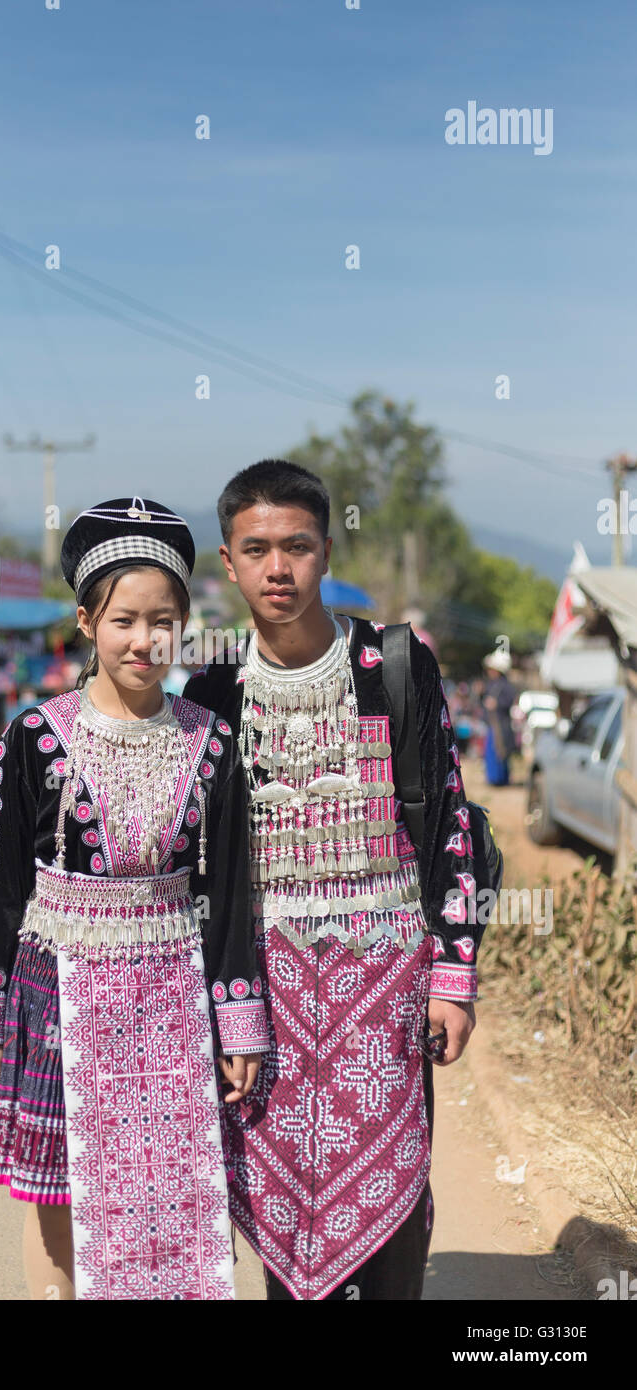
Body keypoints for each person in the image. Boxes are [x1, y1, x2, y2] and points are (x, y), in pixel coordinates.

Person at [184, 460, 486, 1301]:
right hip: (266, 989)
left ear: (326, 549)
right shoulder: (211, 691)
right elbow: (207, 870)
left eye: (297, 547)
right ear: (228, 561)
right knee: (283, 1207)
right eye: (257, 549)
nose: (278, 569)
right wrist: (222, 1001)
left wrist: (453, 978)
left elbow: (453, 821)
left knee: (393, 1194)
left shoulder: (392, 663)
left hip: (387, 988)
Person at [0, 496, 266, 1301]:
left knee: (174, 1195)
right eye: (125, 619)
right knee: (63, 1194)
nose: (144, 640)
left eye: (163, 621)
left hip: (174, 1004)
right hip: (56, 995)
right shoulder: (33, 737)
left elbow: (231, 892)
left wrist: (239, 1018)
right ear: (88, 621)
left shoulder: (211, 741)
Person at [481, 650, 517, 786]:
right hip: (492, 724)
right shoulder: (491, 684)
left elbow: (509, 701)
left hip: (501, 725)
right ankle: (493, 779)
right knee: (492, 753)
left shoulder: (505, 685)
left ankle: (501, 779)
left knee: (502, 752)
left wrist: (497, 704)